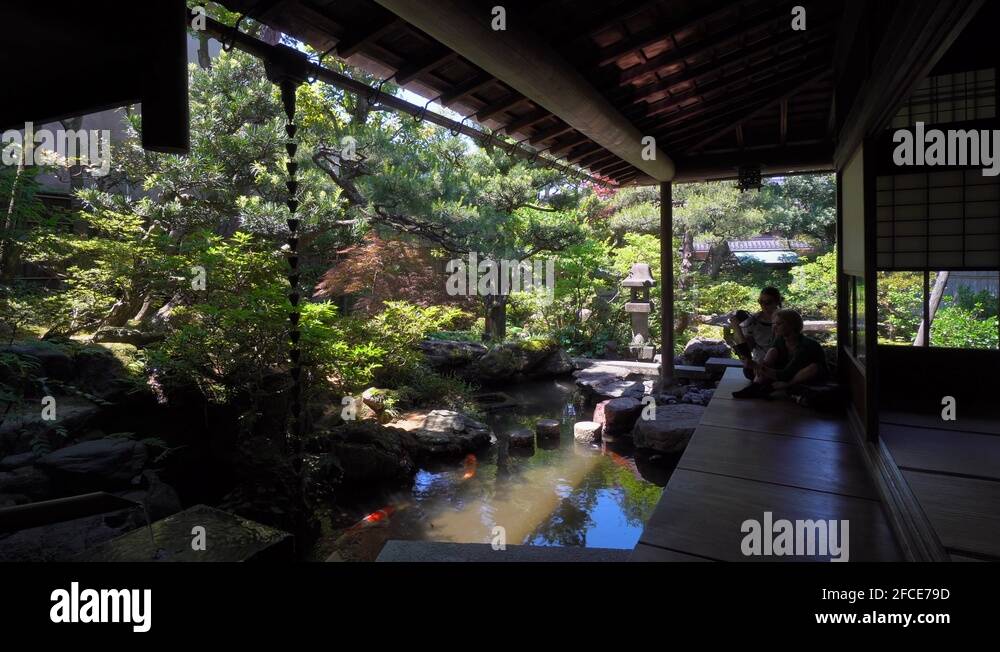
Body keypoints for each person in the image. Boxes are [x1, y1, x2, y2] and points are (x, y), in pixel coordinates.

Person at [733, 308, 828, 399]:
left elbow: (786, 375)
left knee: (813, 367)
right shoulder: (781, 339)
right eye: (774, 323)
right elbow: (770, 362)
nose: (774, 327)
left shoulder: (805, 345)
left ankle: (777, 387)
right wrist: (760, 365)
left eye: (779, 324)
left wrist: (757, 366)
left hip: (808, 378)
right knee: (772, 352)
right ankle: (755, 386)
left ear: (792, 325)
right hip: (787, 372)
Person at [729, 286, 782, 379]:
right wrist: (737, 329)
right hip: (759, 362)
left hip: (780, 362)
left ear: (777, 302)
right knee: (748, 371)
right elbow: (747, 350)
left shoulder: (785, 318)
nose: (763, 305)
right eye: (760, 302)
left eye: (768, 302)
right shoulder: (753, 320)